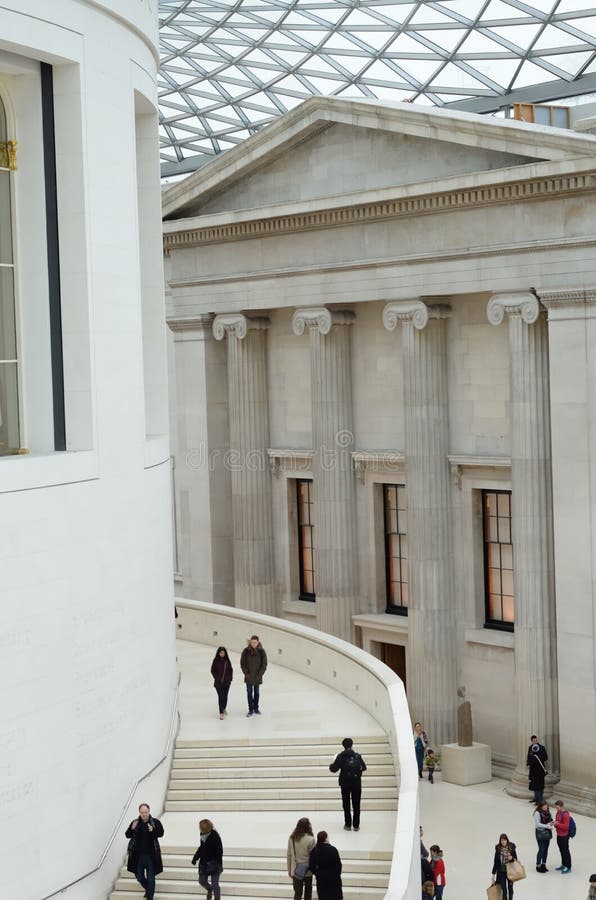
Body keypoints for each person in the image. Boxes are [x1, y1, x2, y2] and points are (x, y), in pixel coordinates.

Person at [125, 802, 164, 900]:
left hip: (151, 855)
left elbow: (161, 833)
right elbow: (127, 835)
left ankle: (150, 897)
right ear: (139, 812)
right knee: (139, 877)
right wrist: (132, 829)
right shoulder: (135, 822)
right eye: (142, 812)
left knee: (151, 878)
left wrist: (153, 830)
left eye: (146, 812)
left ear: (149, 811)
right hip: (138, 856)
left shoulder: (155, 822)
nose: (144, 814)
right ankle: (149, 889)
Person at [329, 737, 367, 831]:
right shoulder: (357, 756)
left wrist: (331, 765)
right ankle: (356, 826)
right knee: (356, 804)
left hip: (345, 784)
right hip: (356, 783)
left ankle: (348, 825)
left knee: (346, 804)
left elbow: (334, 769)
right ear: (351, 745)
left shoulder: (341, 756)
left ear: (343, 746)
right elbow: (364, 767)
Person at [191, 818, 224, 900]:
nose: (201, 829)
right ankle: (209, 889)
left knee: (215, 884)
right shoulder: (202, 835)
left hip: (215, 865)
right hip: (204, 864)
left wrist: (216, 863)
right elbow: (201, 848)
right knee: (201, 881)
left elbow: (220, 852)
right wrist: (195, 857)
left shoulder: (215, 836)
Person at [287, 817, 316, 900]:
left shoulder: (292, 838)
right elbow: (313, 857)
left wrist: (289, 869)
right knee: (308, 893)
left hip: (296, 869)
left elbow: (289, 855)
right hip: (308, 870)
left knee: (297, 893)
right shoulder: (311, 840)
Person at [309, 831, 343, 900]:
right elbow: (338, 866)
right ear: (326, 838)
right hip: (334, 880)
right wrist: (336, 875)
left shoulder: (314, 851)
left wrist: (318, 874)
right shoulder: (333, 850)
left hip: (321, 880)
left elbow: (311, 866)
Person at [240, 634, 267, 716]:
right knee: (249, 693)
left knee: (257, 693)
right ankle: (250, 710)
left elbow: (264, 664)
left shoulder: (262, 651)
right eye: (252, 642)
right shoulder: (246, 651)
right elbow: (242, 663)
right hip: (249, 677)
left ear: (258, 642)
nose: (253, 644)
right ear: (250, 642)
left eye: (255, 642)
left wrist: (260, 674)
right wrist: (246, 673)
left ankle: (256, 708)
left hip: (257, 677)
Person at [491, 833, 517, 900]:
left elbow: (516, 860)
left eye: (504, 840)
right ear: (500, 841)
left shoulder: (511, 848)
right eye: (502, 840)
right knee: (504, 890)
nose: (503, 842)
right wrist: (493, 875)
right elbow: (496, 862)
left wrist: (511, 858)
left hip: (510, 872)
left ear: (507, 840)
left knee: (510, 889)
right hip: (501, 872)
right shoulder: (498, 849)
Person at [211, 646, 233, 720]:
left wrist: (230, 679)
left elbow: (230, 670)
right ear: (218, 653)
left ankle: (224, 708)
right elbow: (212, 670)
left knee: (225, 697)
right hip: (218, 683)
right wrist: (217, 678)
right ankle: (221, 713)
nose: (222, 654)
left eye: (223, 653)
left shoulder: (227, 661)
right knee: (221, 697)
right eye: (221, 653)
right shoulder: (215, 661)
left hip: (227, 683)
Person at [527, 736, 548, 804]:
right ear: (532, 741)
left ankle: (539, 800)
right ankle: (537, 798)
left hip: (540, 769)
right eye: (534, 740)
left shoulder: (542, 748)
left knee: (540, 785)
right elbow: (528, 757)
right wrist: (528, 764)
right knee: (534, 784)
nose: (535, 741)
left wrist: (538, 754)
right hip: (533, 770)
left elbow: (545, 758)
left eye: (536, 740)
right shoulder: (530, 748)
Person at [533, 800, 553, 872]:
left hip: (547, 833)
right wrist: (547, 826)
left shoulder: (548, 812)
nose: (545, 807)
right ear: (540, 806)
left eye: (546, 806)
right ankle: (538, 865)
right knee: (541, 849)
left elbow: (550, 820)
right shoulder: (537, 813)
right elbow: (537, 824)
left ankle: (543, 864)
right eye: (543, 806)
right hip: (540, 833)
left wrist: (552, 823)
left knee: (546, 849)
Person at [553, 799, 572, 873]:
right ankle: (563, 865)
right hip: (559, 835)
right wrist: (554, 823)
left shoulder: (566, 814)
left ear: (562, 806)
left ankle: (568, 867)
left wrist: (557, 824)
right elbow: (558, 823)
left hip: (564, 836)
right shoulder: (558, 813)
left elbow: (566, 827)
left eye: (558, 808)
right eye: (556, 807)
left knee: (565, 851)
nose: (557, 809)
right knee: (561, 850)